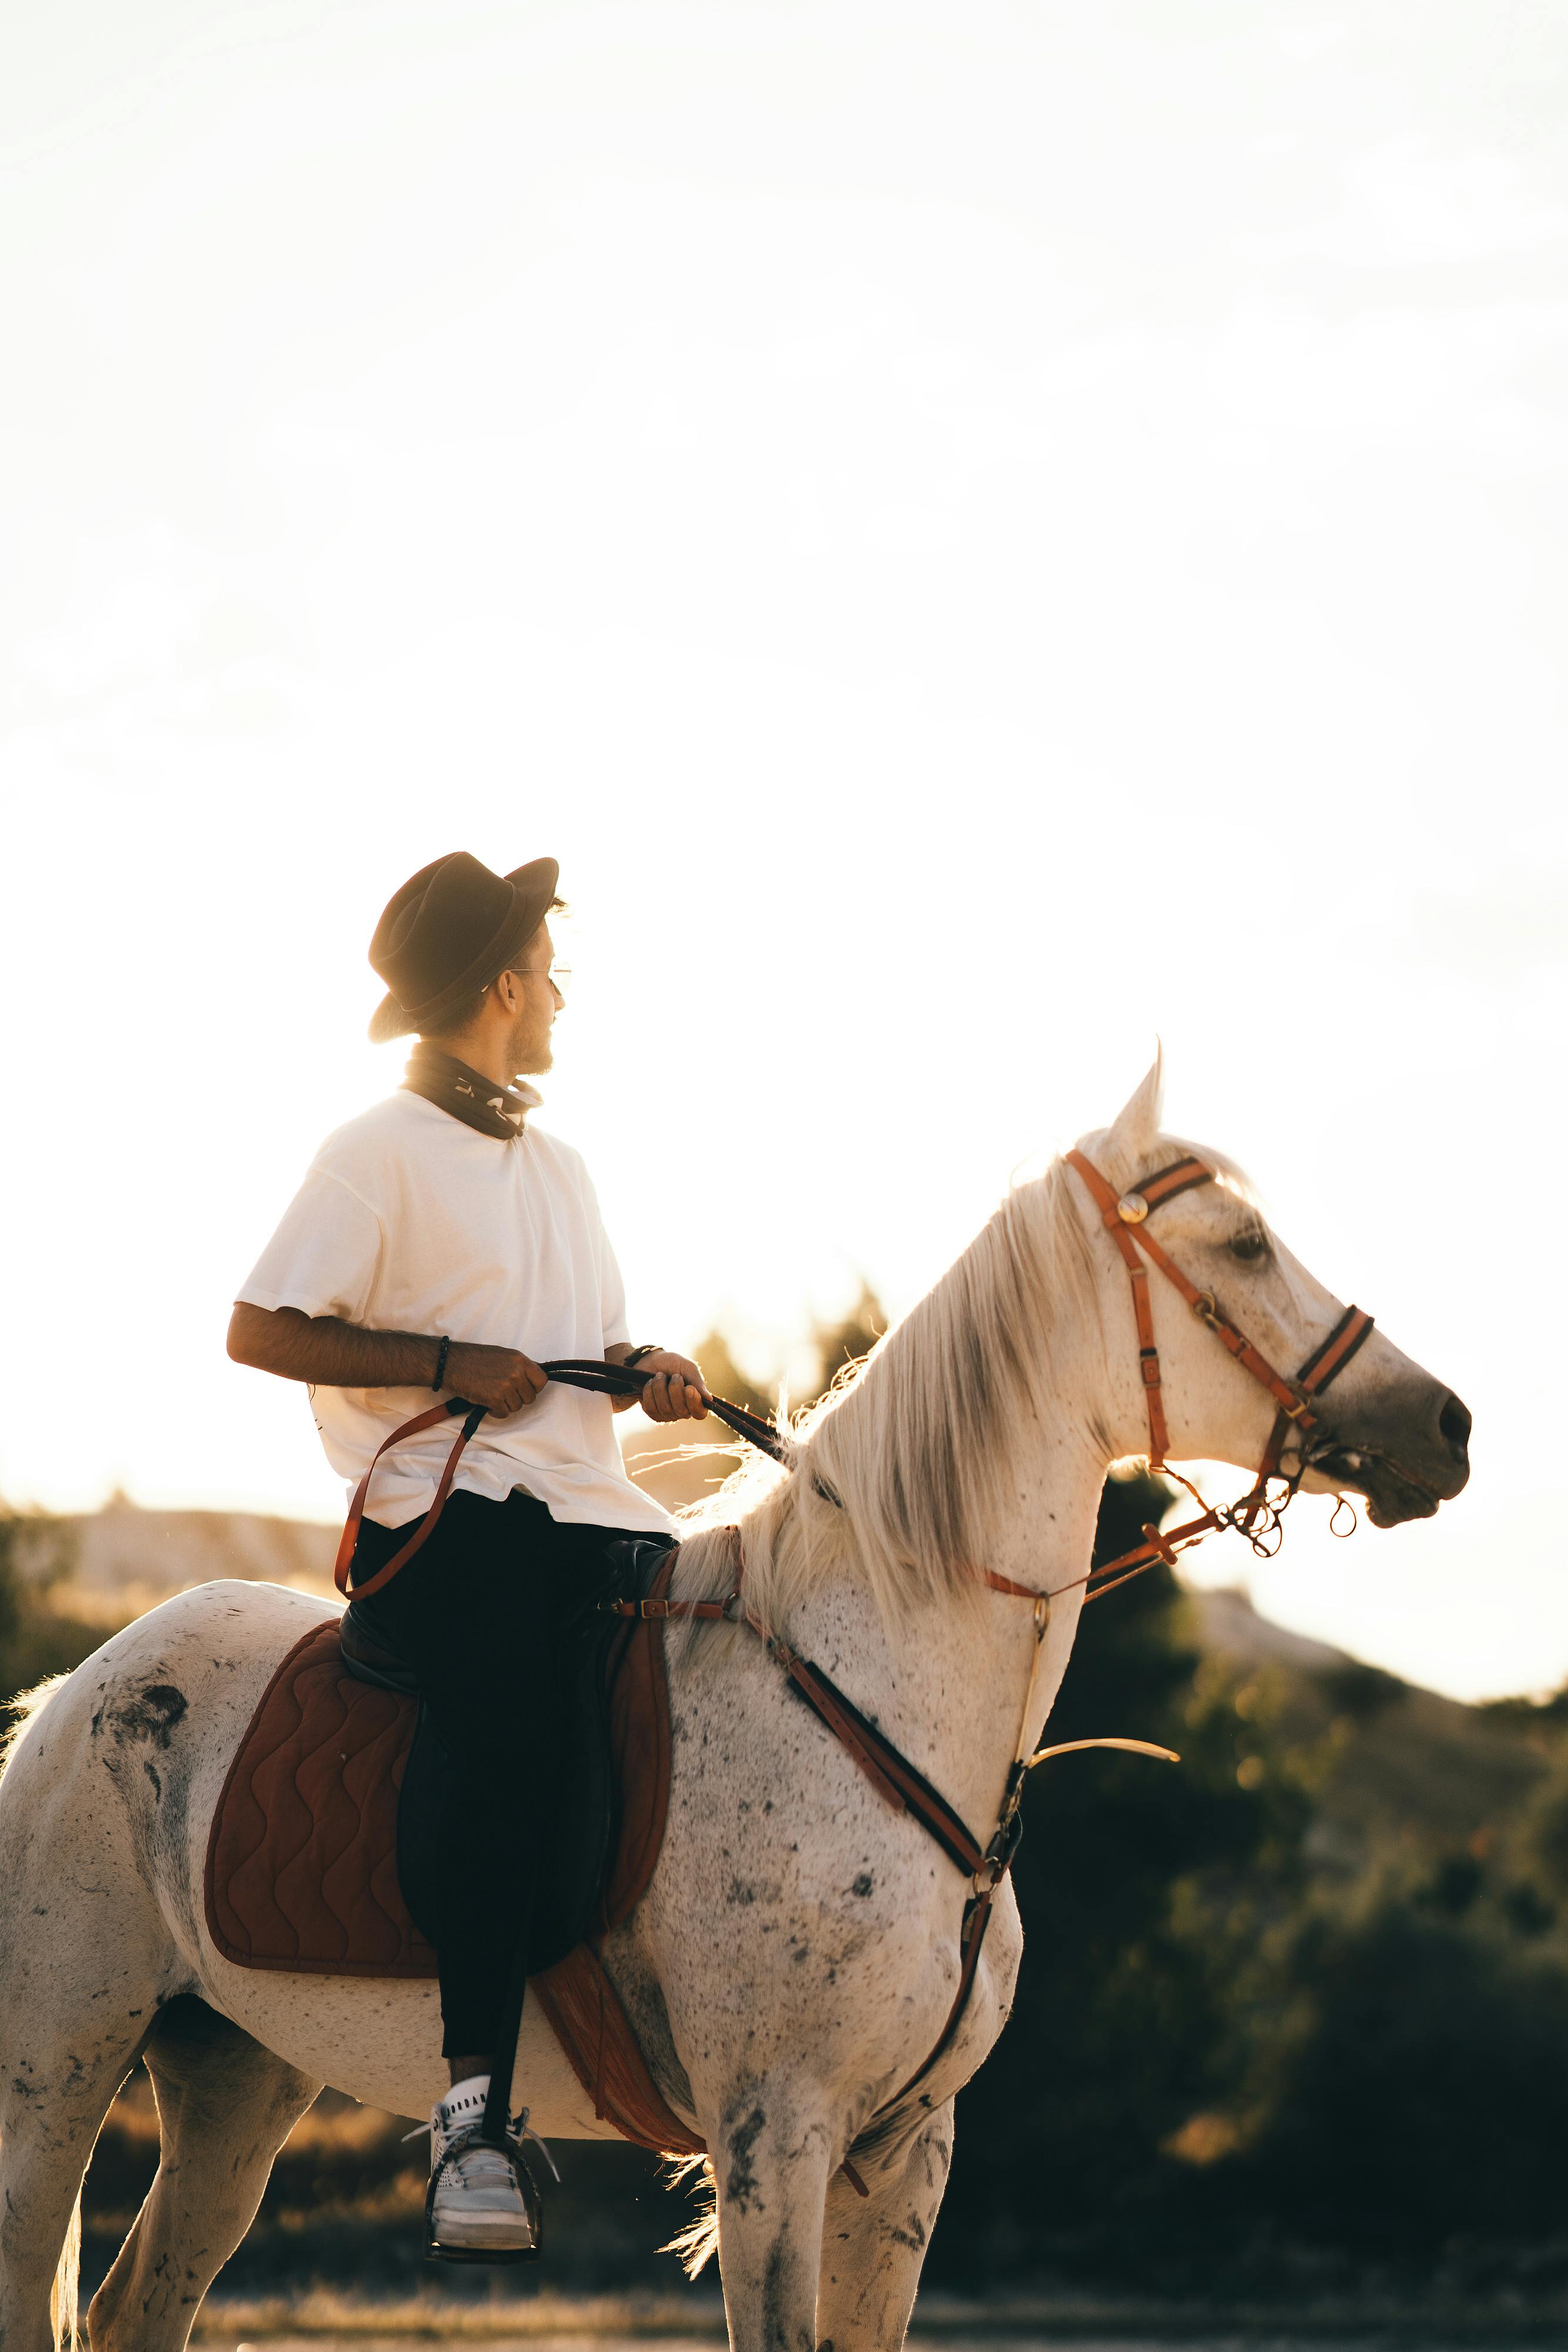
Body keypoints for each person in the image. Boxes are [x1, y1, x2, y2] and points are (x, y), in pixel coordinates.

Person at [228, 850, 707, 2258]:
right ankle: (472, 2113)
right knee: (506, 1727)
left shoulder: (563, 1164)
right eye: (549, 968)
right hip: (440, 1515)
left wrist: (644, 1368)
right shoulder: (371, 1149)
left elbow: (579, 1348)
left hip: (590, 1504)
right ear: (502, 983)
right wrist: (443, 1361)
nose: (561, 990)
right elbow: (259, 1325)